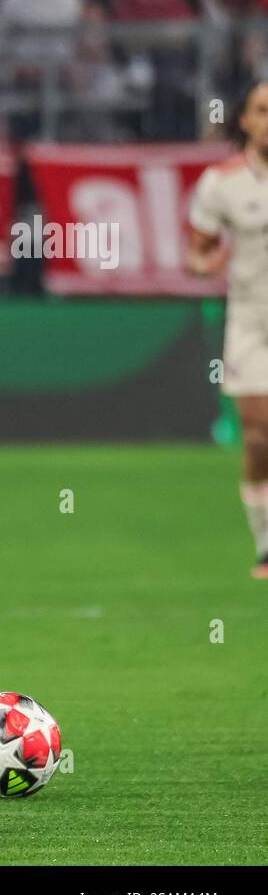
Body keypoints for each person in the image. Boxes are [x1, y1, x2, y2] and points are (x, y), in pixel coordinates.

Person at [187, 79, 268, 578]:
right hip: (252, 320)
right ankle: (264, 544)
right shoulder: (221, 183)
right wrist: (204, 264)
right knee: (259, 439)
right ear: (245, 121)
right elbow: (197, 251)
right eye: (262, 110)